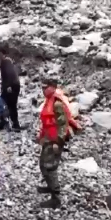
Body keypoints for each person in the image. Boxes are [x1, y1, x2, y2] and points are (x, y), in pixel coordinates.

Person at [37, 78, 79, 208]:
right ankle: (50, 186)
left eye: (46, 88)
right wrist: (41, 136)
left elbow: (62, 124)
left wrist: (58, 141)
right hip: (48, 138)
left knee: (50, 167)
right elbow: (46, 122)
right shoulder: (48, 101)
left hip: (54, 139)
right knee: (43, 164)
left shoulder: (57, 104)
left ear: (53, 87)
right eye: (42, 88)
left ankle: (56, 197)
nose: (43, 90)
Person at [0, 48, 22, 131]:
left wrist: (8, 86)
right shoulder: (8, 61)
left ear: (3, 54)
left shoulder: (6, 61)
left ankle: (9, 123)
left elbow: (9, 73)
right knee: (10, 104)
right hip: (13, 85)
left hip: (11, 86)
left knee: (7, 104)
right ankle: (13, 123)